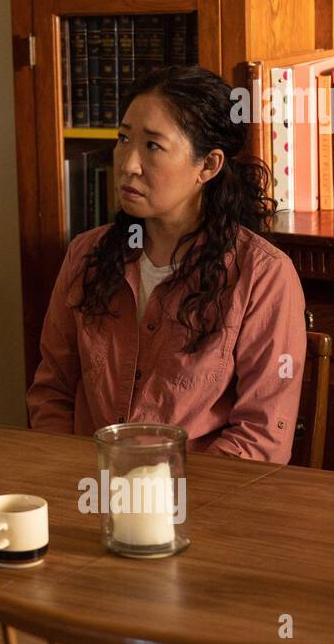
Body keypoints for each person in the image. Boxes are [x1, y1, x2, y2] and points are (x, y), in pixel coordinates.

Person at [26, 65, 305, 463]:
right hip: (89, 490)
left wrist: (153, 494)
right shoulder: (86, 255)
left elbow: (262, 436)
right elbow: (52, 391)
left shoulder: (263, 274)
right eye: (123, 139)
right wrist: (77, 474)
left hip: (201, 502)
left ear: (208, 166)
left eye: (153, 146)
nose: (127, 164)